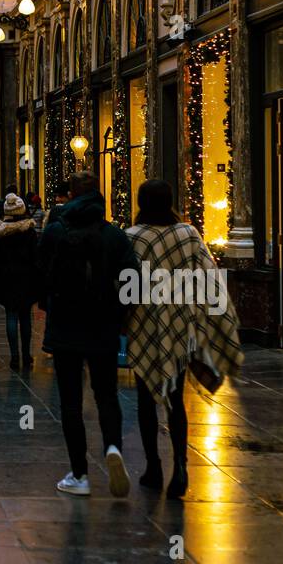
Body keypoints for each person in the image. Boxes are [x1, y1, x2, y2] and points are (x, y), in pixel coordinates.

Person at [125, 179, 244, 499]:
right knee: (176, 400)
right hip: (180, 326)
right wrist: (217, 317)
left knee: (146, 400)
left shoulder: (132, 238)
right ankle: (181, 464)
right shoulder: (187, 234)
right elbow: (208, 274)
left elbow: (125, 284)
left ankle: (153, 466)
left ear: (140, 202)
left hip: (145, 326)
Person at [38, 171, 139, 497]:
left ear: (70, 194)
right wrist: (122, 316)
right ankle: (112, 448)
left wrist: (49, 303)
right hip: (103, 326)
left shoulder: (55, 231)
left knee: (70, 401)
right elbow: (132, 282)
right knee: (106, 394)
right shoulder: (114, 235)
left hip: (66, 326)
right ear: (98, 194)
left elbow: (39, 273)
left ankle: (79, 474)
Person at [0, 193, 39, 370]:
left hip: (6, 278)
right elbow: (36, 258)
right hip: (26, 278)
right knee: (25, 317)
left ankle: (14, 356)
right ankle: (26, 355)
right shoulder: (29, 232)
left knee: (11, 315)